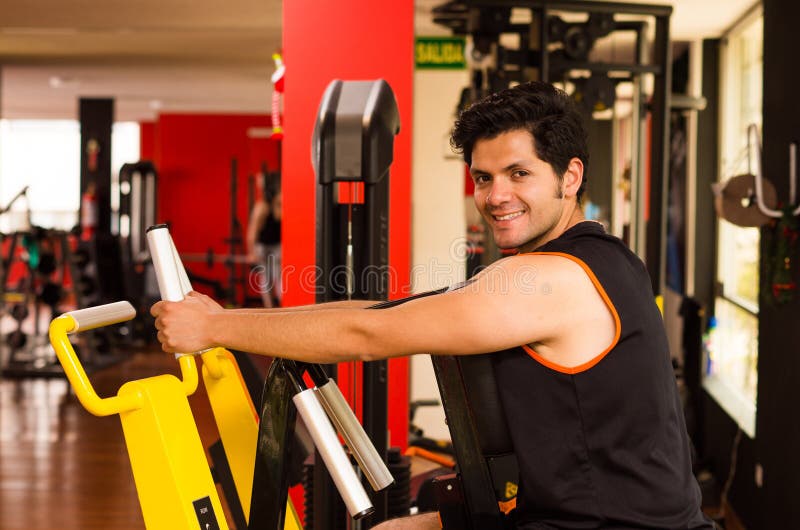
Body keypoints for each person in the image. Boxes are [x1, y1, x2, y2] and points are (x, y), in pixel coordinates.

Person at [152, 81, 712, 529]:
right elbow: (379, 315)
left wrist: (215, 328)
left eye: (520, 174)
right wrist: (220, 319)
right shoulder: (590, 260)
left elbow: (369, 337)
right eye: (484, 177)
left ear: (570, 176)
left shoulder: (552, 279)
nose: (496, 196)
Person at [246, 172, 282, 307]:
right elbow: (252, 233)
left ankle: (282, 306)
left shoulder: (278, 205)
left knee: (278, 276)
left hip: (277, 247)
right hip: (263, 248)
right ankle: (270, 308)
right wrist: (251, 253)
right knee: (265, 278)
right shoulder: (262, 207)